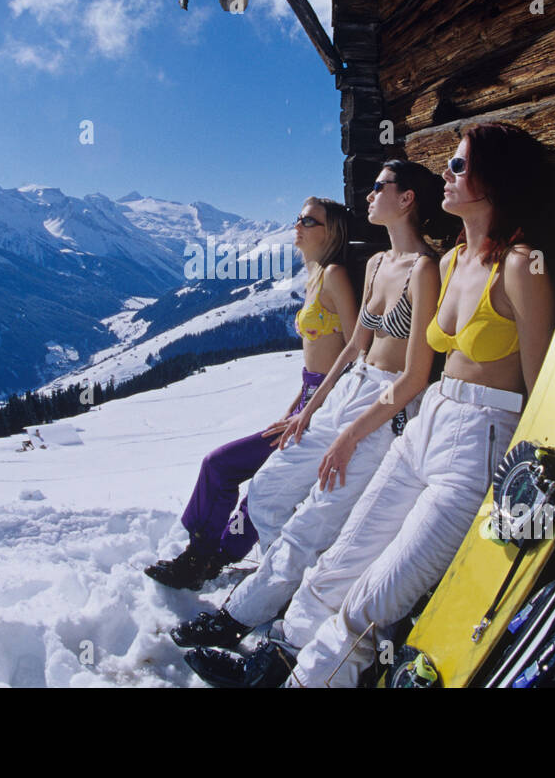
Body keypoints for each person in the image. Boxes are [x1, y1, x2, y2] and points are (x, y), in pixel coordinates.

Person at [186, 123, 555, 688]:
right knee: (341, 559)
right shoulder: (456, 261)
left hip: (479, 437)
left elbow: (541, 386)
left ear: (495, 179)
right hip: (429, 422)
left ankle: (304, 680)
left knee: (376, 594)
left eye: (459, 166)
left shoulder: (520, 266)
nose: (446, 176)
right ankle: (277, 655)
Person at [171, 159, 448, 651]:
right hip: (348, 389)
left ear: (406, 200)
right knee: (268, 490)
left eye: (380, 187)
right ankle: (281, 591)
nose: (369, 194)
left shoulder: (424, 270)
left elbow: (415, 375)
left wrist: (351, 434)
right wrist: (309, 409)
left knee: (316, 516)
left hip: (386, 409)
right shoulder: (379, 263)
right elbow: (352, 346)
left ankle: (241, 615)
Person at [144, 197, 356, 589]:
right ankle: (208, 558)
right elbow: (315, 361)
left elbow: (354, 347)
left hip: (328, 405)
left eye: (309, 221)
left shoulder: (335, 275)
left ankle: (204, 557)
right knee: (249, 475)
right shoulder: (316, 277)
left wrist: (310, 410)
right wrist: (294, 406)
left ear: (332, 232)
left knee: (221, 465)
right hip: (310, 399)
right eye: (298, 218)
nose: (298, 225)